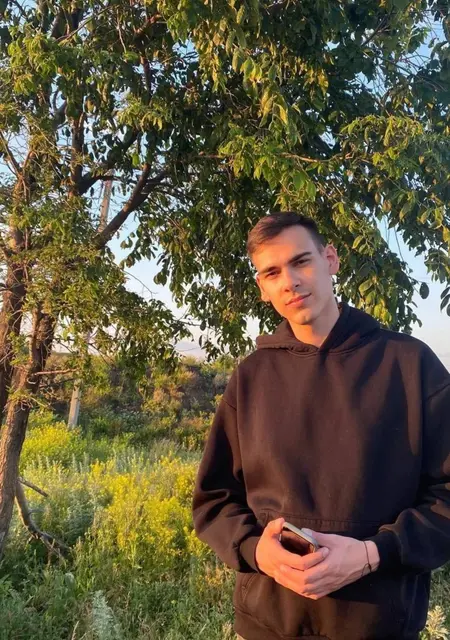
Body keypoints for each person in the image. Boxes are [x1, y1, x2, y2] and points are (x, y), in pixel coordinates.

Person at [192, 212, 450, 640]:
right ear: (262, 288)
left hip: (379, 625)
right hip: (267, 624)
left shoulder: (409, 365)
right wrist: (257, 552)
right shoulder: (251, 377)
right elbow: (215, 500)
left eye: (301, 262)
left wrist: (372, 554)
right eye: (272, 272)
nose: (290, 282)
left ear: (330, 260)